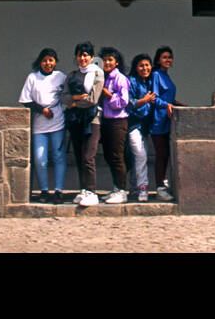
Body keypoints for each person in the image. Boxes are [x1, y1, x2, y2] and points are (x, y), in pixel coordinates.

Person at [19, 47, 68, 204]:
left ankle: (59, 190)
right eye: (45, 60)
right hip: (40, 124)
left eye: (51, 60)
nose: (48, 63)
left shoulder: (60, 77)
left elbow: (69, 94)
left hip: (57, 121)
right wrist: (42, 110)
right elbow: (26, 101)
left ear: (55, 62)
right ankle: (44, 190)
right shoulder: (33, 78)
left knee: (59, 156)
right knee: (40, 159)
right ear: (40, 62)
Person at [65, 41, 104, 207]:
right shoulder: (71, 75)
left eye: (86, 55)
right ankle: (83, 189)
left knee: (89, 156)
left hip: (92, 119)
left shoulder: (97, 74)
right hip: (75, 120)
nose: (83, 58)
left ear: (92, 57)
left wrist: (75, 103)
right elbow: (64, 97)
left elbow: (93, 99)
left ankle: (92, 190)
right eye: (80, 55)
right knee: (79, 156)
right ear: (76, 57)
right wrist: (74, 99)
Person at [97, 47, 130, 204]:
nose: (107, 62)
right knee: (109, 156)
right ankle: (115, 188)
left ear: (116, 62)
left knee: (117, 156)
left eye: (110, 60)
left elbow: (123, 101)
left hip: (118, 121)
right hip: (106, 121)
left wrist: (109, 96)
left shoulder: (120, 78)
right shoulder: (103, 77)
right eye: (104, 60)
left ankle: (122, 190)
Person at [126, 53, 156, 201]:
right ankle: (143, 188)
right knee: (140, 155)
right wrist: (144, 101)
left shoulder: (150, 81)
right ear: (136, 67)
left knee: (138, 156)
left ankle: (134, 188)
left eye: (147, 65)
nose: (145, 68)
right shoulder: (131, 81)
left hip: (145, 125)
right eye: (141, 65)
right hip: (133, 124)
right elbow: (129, 103)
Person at [150, 45, 178, 200]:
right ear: (158, 60)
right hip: (159, 119)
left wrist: (177, 104)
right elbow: (155, 97)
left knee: (167, 154)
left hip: (168, 118)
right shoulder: (156, 75)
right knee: (161, 154)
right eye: (164, 57)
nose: (168, 60)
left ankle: (164, 182)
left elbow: (168, 97)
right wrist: (165, 105)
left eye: (170, 57)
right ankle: (160, 186)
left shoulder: (167, 76)